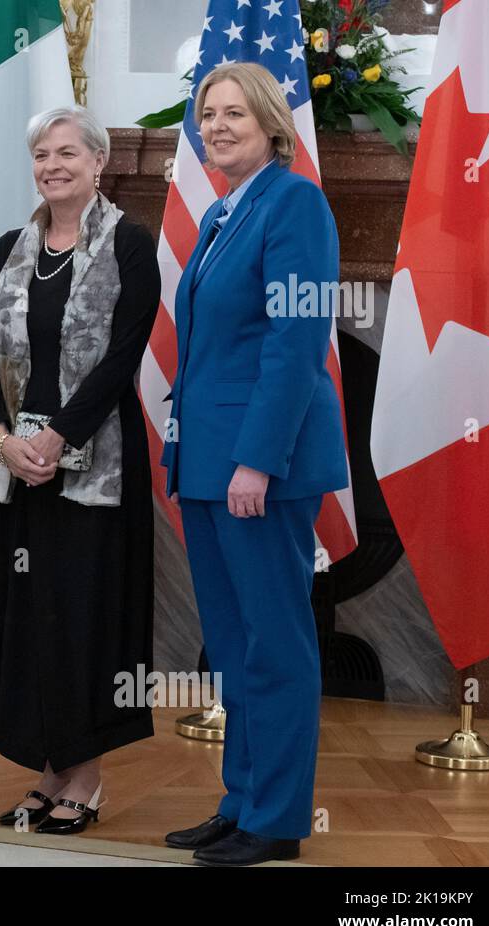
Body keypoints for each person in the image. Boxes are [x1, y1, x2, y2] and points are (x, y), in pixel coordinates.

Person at [160, 62, 349, 866]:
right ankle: (240, 804)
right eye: (208, 114)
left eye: (234, 113)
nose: (217, 126)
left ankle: (276, 820)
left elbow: (294, 346)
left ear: (272, 125)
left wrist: (257, 463)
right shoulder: (222, 213)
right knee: (234, 649)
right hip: (209, 465)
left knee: (274, 645)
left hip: (258, 470)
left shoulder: (294, 203)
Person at [0, 106, 160, 835]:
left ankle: (86, 776)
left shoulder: (130, 244)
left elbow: (123, 355)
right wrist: (2, 439)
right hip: (16, 466)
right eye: (42, 155)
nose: (52, 166)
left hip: (95, 465)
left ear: (98, 162)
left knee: (85, 616)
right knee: (29, 618)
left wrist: (56, 438)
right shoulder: (10, 248)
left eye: (67, 154)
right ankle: (48, 770)